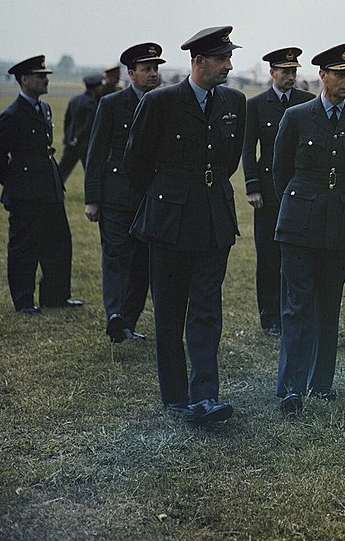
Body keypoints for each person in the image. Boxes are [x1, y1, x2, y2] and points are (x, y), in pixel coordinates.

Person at [125, 26, 246, 426]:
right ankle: (176, 395)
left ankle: (205, 395)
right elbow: (136, 164)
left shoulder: (234, 101)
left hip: (214, 220)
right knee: (171, 311)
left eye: (229, 58)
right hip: (169, 223)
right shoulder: (161, 102)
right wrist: (171, 195)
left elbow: (228, 162)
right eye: (221, 59)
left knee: (207, 310)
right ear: (198, 62)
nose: (229, 66)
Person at [272, 43, 345, 414]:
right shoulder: (298, 116)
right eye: (342, 75)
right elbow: (281, 172)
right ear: (323, 77)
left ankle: (322, 382)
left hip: (339, 224)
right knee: (297, 305)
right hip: (299, 223)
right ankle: (292, 385)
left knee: (329, 304)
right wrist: (305, 199)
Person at [84, 42, 165, 343]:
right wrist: (92, 198)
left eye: (156, 69)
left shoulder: (164, 102)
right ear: (131, 73)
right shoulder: (112, 104)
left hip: (150, 198)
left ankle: (127, 322)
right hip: (116, 196)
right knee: (116, 256)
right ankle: (115, 315)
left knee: (142, 264)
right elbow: (96, 152)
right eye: (146, 69)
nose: (153, 74)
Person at [0, 55, 82, 314]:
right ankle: (24, 301)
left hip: (49, 188)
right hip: (25, 193)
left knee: (59, 243)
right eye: (40, 76)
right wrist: (15, 186)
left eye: (46, 75)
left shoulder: (45, 108)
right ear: (25, 80)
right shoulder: (11, 115)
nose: (46, 80)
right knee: (24, 248)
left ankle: (55, 296)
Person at [242, 47, 312, 336]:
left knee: (296, 256)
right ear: (272, 72)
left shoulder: (307, 102)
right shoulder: (256, 105)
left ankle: (294, 312)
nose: (290, 77)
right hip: (268, 192)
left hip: (298, 190)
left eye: (293, 72)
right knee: (268, 256)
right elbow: (248, 149)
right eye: (284, 72)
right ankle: (269, 316)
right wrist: (252, 187)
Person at [57, 74, 103, 184]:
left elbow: (67, 120)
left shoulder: (75, 99)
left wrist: (69, 137)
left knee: (62, 170)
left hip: (71, 141)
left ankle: (53, 192)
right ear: (95, 87)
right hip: (84, 143)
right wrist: (78, 137)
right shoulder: (92, 103)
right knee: (90, 172)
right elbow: (89, 124)